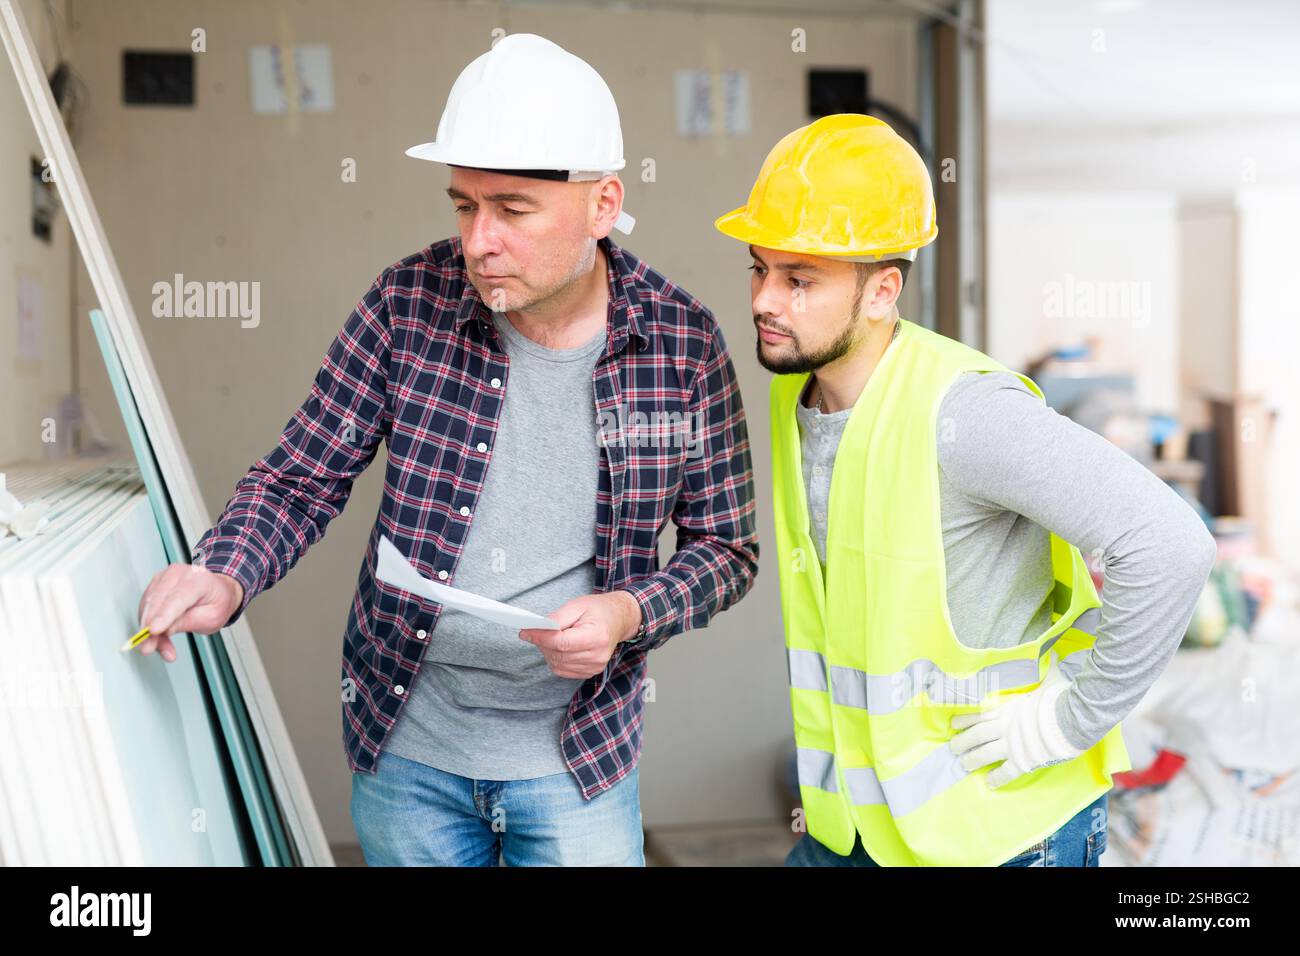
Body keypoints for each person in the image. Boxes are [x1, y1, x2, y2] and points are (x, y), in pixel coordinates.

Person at [136, 33, 758, 867]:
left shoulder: (682, 343)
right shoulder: (408, 303)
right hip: (408, 749)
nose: (478, 240)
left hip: (580, 763)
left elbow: (727, 548)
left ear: (603, 205)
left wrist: (629, 613)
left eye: (513, 209)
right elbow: (300, 478)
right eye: (465, 206)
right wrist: (222, 570)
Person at [713, 113, 1216, 866]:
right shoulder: (798, 393)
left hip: (1000, 827)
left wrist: (1067, 721)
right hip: (857, 825)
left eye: (799, 279)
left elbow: (1172, 546)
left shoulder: (965, 414)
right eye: (759, 269)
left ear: (883, 290)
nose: (764, 300)